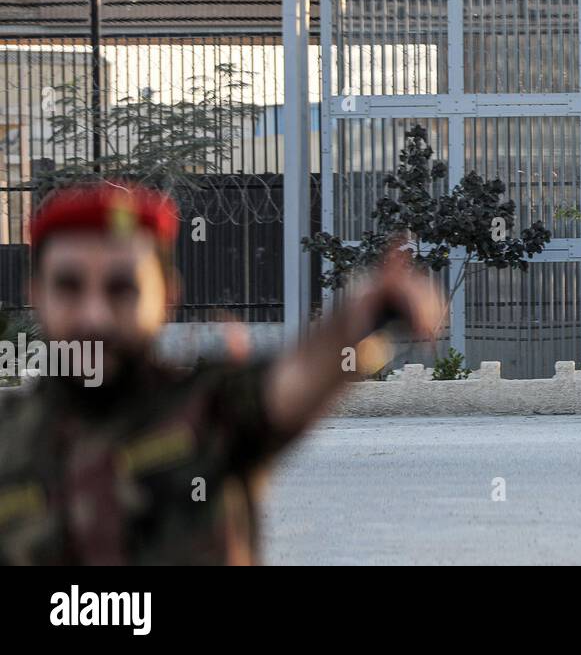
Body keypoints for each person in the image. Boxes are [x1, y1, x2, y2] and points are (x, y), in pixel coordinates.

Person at [0, 182, 445, 565]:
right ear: (35, 294)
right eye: (69, 286)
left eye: (122, 289)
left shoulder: (212, 408)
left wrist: (360, 319)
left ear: (167, 295)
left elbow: (293, 381)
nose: (94, 316)